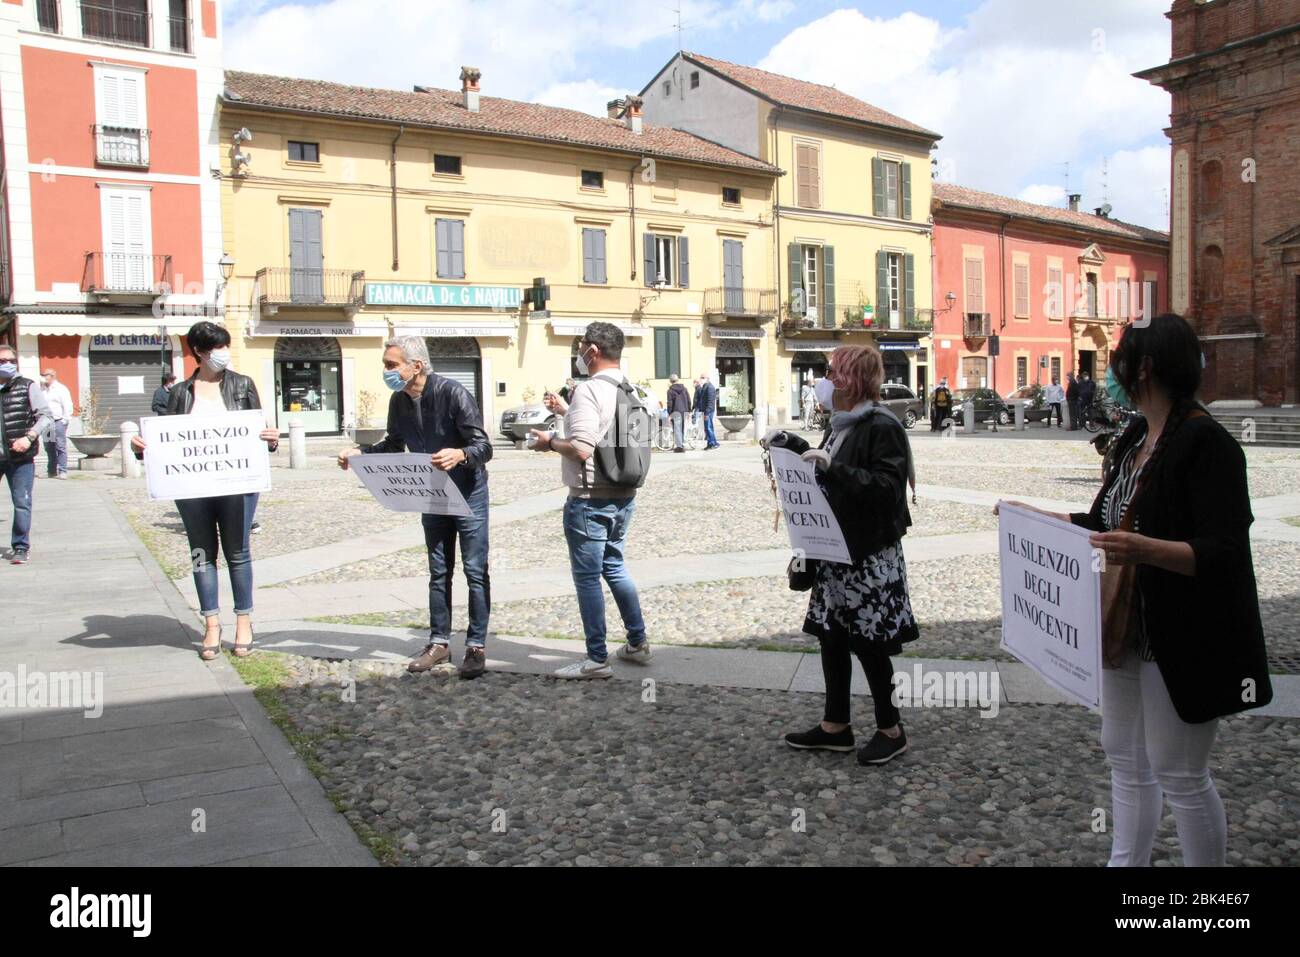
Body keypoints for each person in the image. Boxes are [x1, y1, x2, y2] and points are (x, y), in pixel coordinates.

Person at [999, 314, 1272, 866]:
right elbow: (1103, 519)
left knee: (1180, 772)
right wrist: (1036, 517)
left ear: (1143, 367)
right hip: (1124, 625)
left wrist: (1143, 549)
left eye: (1121, 359)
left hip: (1185, 633)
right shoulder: (1131, 438)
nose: (1113, 370)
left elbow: (1222, 553)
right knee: (1123, 756)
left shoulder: (1207, 444)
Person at [768, 345, 919, 767]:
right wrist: (793, 446)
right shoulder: (842, 424)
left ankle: (891, 729)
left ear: (854, 380)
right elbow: (824, 466)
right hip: (835, 551)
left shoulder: (881, 426)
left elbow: (887, 490)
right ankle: (836, 726)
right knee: (832, 637)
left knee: (871, 646)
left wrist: (834, 467)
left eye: (835, 373)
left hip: (869, 554)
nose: (828, 380)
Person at [339, 336, 492, 680]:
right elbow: (394, 443)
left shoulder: (453, 393)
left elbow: (483, 445)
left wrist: (461, 454)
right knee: (439, 571)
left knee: (474, 570)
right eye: (386, 365)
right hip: (432, 493)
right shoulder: (399, 400)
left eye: (391, 365)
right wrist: (360, 455)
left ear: (416, 366)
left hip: (468, 493)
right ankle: (439, 642)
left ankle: (476, 646)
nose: (387, 371)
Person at [130, 322, 279, 658]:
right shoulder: (180, 393)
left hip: (238, 484)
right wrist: (143, 446)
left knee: (238, 552)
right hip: (192, 486)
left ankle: (244, 619)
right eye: (215, 349)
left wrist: (270, 438)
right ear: (197, 351)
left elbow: (259, 431)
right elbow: (166, 440)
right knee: (201, 554)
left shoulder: (242, 385)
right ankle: (211, 623)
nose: (222, 354)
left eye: (225, 346)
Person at [532, 321, 651, 679]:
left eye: (581, 346)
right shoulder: (633, 390)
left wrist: (549, 442)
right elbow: (609, 435)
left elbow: (582, 448)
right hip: (624, 495)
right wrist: (566, 413)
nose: (579, 352)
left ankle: (596, 659)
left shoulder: (589, 390)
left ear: (593, 351)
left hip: (589, 499)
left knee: (587, 578)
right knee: (614, 566)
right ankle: (637, 642)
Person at [0, 344, 52, 565]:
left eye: (12, 360)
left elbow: (46, 416)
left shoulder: (27, 386)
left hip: (20, 456)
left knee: (22, 501)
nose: (8, 365)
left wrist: (29, 437)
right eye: (3, 361)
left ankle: (20, 546)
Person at [39, 369, 73, 479]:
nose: (43, 377)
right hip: (46, 421)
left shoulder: (61, 389)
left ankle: (63, 470)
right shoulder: (43, 389)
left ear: (52, 376)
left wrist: (65, 420)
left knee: (60, 446)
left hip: (58, 421)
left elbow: (67, 404)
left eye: (45, 375)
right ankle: (51, 471)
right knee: (49, 446)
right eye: (42, 375)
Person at [665, 373, 691, 452]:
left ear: (670, 381)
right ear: (677, 380)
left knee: (677, 429)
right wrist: (689, 410)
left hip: (675, 411)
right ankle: (681, 444)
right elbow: (688, 400)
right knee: (682, 428)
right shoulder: (684, 389)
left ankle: (679, 447)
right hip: (684, 411)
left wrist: (669, 413)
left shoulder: (670, 391)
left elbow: (670, 403)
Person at [695, 373, 720, 449]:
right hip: (705, 411)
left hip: (708, 412)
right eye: (701, 377)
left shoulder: (710, 387)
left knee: (709, 428)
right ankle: (710, 443)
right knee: (707, 428)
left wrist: (706, 413)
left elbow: (710, 402)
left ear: (707, 378)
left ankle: (713, 443)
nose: (701, 379)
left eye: (703, 377)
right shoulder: (704, 387)